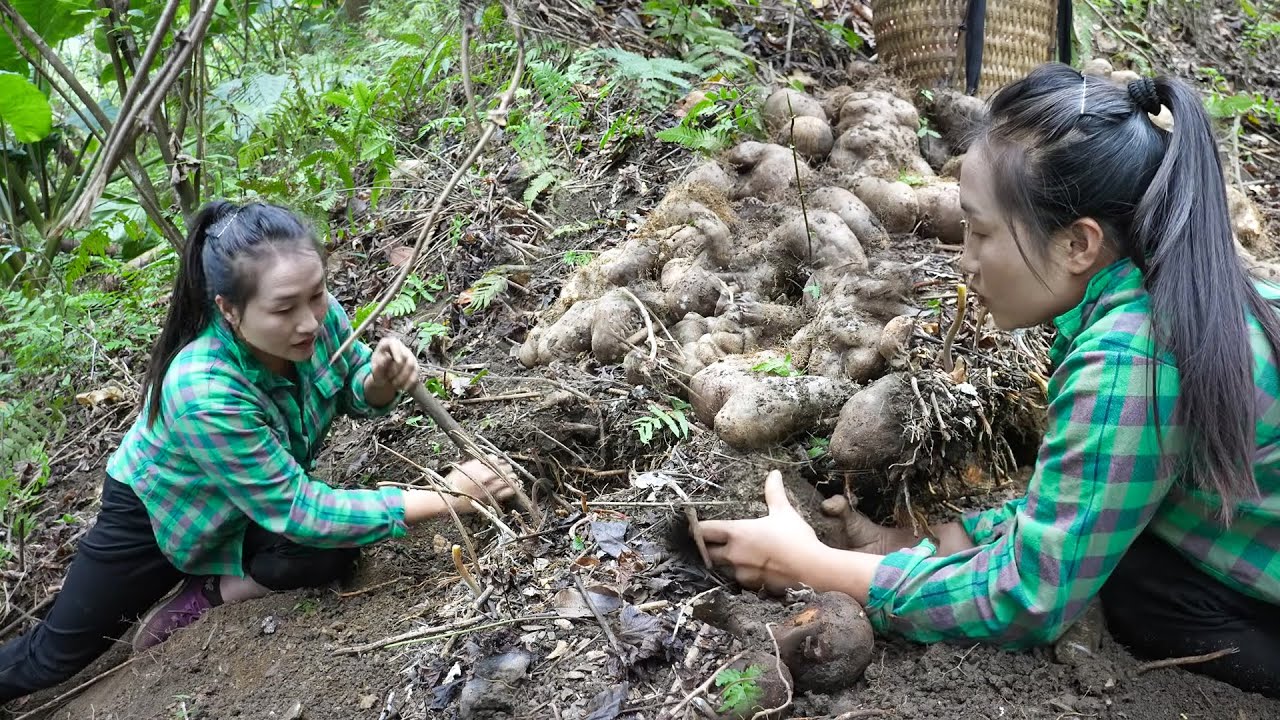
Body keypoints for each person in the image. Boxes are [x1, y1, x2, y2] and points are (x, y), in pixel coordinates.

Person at [698, 63, 1280, 697]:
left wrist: (811, 567)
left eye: (979, 232)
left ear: (1078, 245)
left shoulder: (1131, 361)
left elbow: (1029, 598)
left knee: (1136, 591)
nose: (965, 261)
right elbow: (1079, 504)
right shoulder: (1186, 290)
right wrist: (907, 543)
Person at [0, 201, 517, 703]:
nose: (310, 322)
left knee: (331, 549)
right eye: (284, 309)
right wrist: (448, 496)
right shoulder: (203, 389)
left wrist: (380, 378)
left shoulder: (315, 320)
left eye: (317, 295)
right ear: (228, 309)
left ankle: (208, 594)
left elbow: (352, 387)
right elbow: (299, 509)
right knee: (53, 657)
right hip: (162, 518)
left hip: (250, 501)